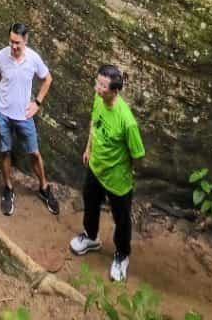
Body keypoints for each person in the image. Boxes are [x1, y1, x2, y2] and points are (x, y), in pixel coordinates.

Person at [69, 64, 145, 283]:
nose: (97, 88)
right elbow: (94, 121)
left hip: (117, 179)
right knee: (90, 203)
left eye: (102, 86)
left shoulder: (127, 121)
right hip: (95, 168)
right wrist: (88, 148)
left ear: (114, 90)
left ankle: (122, 255)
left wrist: (129, 171)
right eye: (97, 82)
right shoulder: (99, 99)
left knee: (121, 220)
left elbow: (138, 154)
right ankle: (91, 237)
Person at [0, 22, 59, 217]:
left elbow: (47, 79)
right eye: (11, 42)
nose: (14, 46)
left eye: (18, 42)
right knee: (5, 152)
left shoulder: (33, 58)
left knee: (34, 153)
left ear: (26, 40)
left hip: (24, 116)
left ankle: (44, 187)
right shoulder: (2, 55)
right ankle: (8, 189)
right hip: (2, 113)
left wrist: (37, 102)